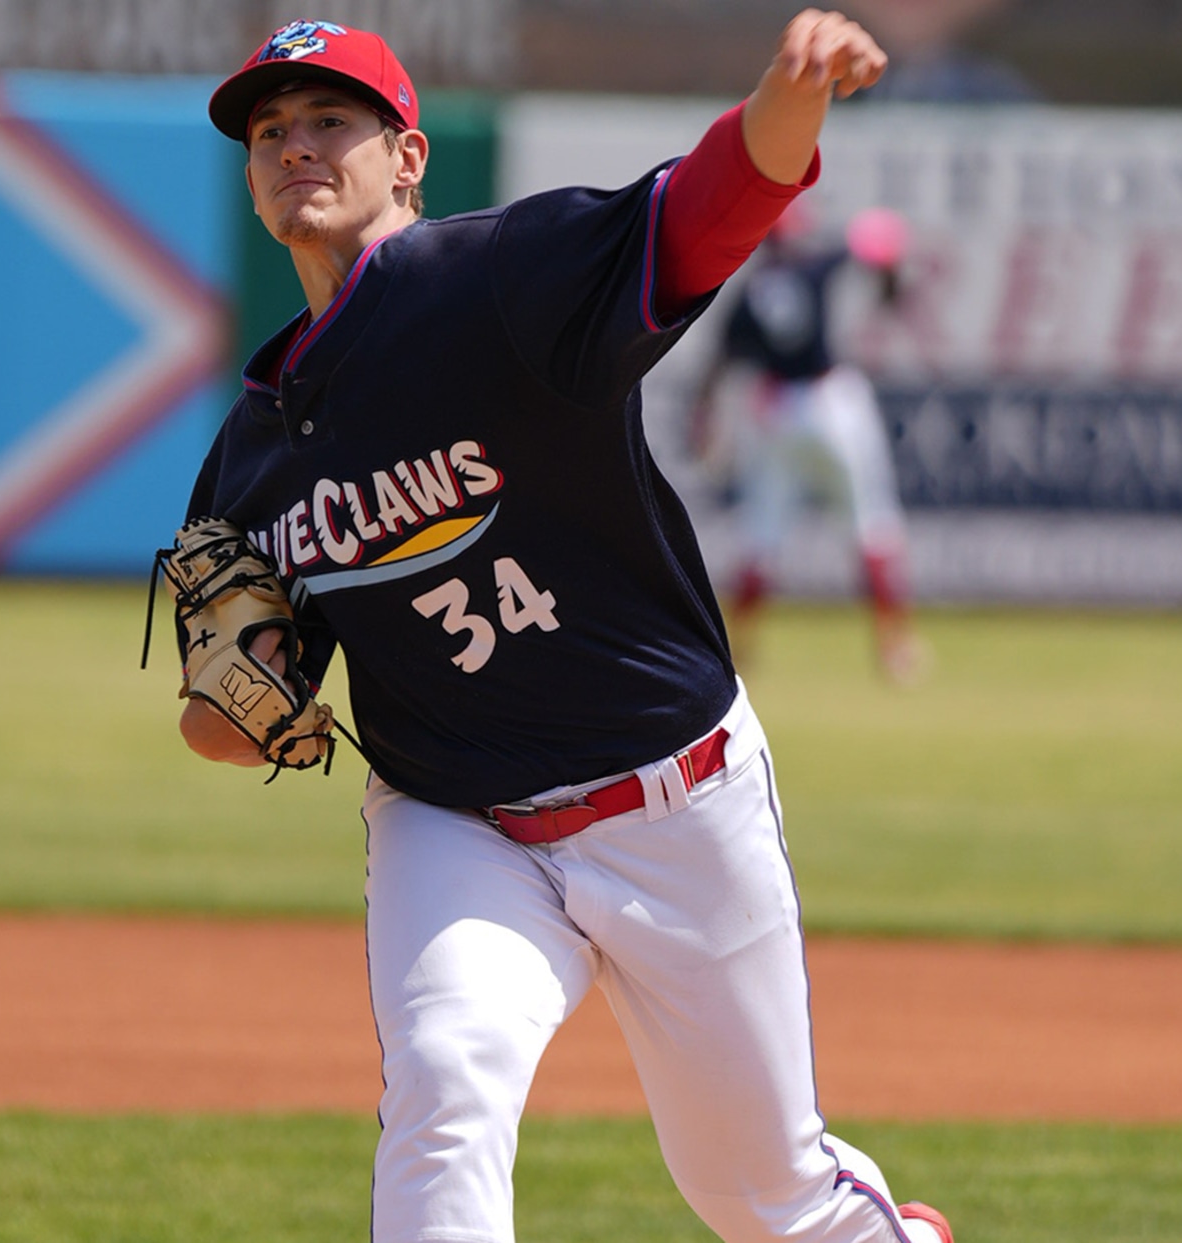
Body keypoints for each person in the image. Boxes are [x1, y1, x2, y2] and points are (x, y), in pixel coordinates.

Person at [174, 13, 953, 1243]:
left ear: (409, 157)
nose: (295, 147)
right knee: (446, 1087)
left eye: (330, 120)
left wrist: (794, 94)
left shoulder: (497, 280)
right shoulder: (256, 450)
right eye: (270, 131)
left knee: (762, 1197)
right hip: (456, 819)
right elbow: (229, 715)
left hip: (675, 801)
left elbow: (700, 215)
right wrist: (243, 716)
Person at [686, 206, 929, 684]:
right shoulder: (815, 266)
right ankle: (896, 649)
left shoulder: (748, 295)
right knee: (872, 525)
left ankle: (735, 655)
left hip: (775, 412)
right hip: (829, 403)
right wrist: (890, 287)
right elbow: (881, 247)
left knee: (760, 538)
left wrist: (703, 420)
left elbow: (718, 367)